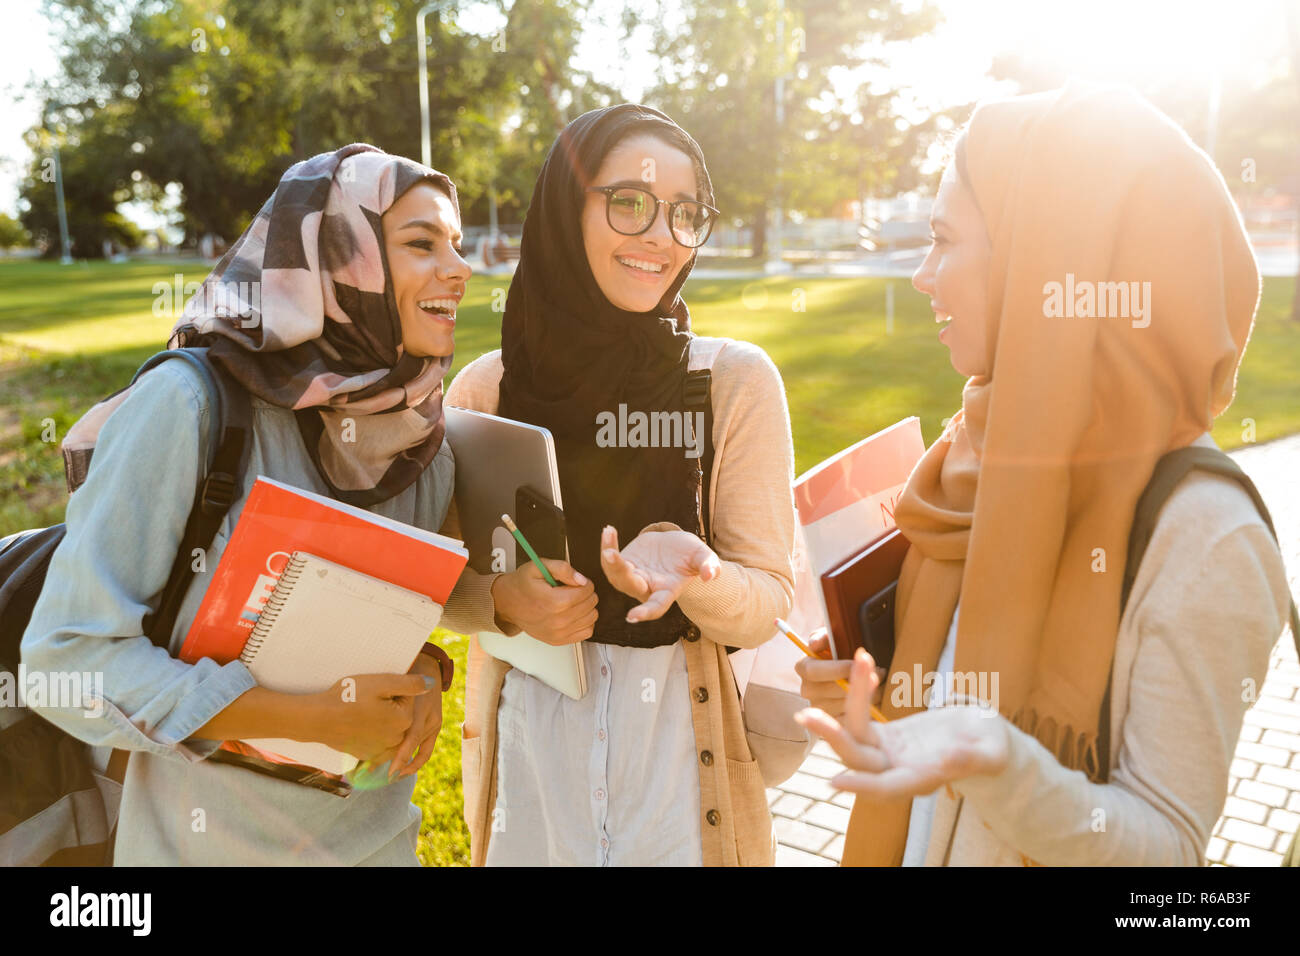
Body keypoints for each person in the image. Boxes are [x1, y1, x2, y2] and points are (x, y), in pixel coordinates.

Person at [794, 83, 1293, 866]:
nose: (923, 275)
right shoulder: (974, 459)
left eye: (946, 240)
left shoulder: (1207, 538)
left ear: (1048, 265)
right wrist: (879, 691)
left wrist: (996, 759)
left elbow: (1169, 857)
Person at [22, 144, 476, 865]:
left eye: (457, 242)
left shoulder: (423, 440)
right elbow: (63, 660)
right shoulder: (187, 404)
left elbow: (366, 620)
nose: (461, 267)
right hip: (201, 842)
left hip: (378, 840)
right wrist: (309, 719)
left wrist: (422, 673)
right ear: (338, 255)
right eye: (422, 243)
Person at [446, 104, 797, 866]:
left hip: (679, 781)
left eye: (686, 213)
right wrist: (506, 602)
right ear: (564, 208)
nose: (662, 237)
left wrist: (699, 576)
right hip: (533, 776)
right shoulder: (486, 391)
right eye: (631, 202)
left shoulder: (733, 383)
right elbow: (431, 579)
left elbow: (769, 600)